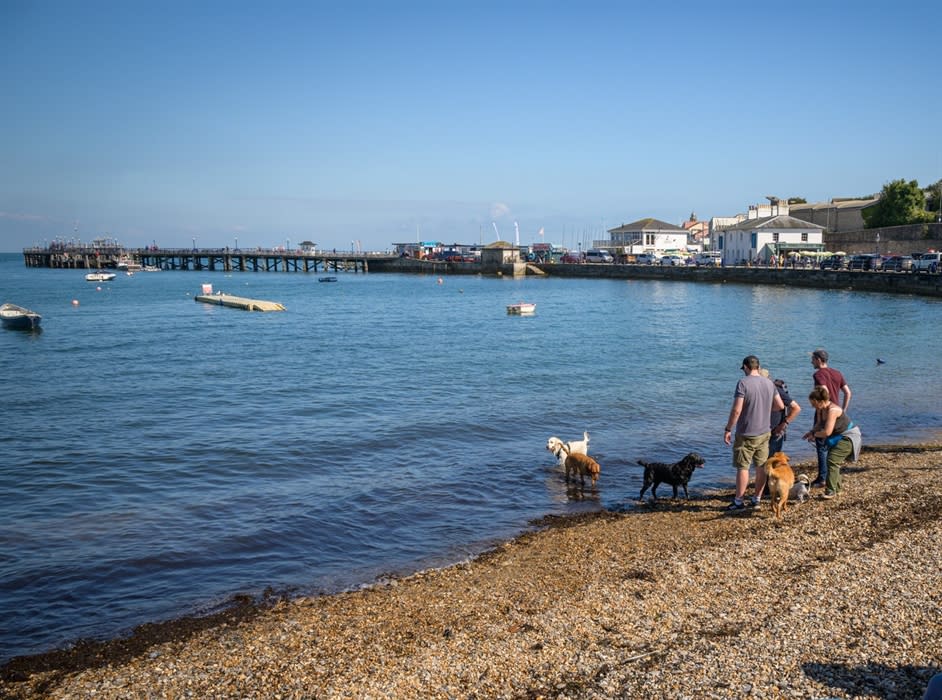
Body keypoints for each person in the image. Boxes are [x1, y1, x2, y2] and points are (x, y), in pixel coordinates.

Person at [724, 355, 785, 510]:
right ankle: (756, 499)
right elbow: (780, 406)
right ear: (758, 366)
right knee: (761, 466)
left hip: (746, 432)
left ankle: (739, 501)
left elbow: (737, 410)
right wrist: (764, 410)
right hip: (765, 432)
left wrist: (728, 428)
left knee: (743, 467)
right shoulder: (769, 383)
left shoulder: (743, 383)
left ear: (745, 367)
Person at [803, 386, 861, 499]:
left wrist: (815, 436)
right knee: (833, 461)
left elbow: (827, 432)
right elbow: (819, 424)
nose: (812, 406)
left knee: (832, 460)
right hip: (838, 436)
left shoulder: (833, 410)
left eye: (813, 403)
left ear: (821, 401)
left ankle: (830, 491)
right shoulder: (820, 409)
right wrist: (811, 432)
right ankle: (837, 489)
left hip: (849, 436)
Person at [810, 349, 852, 488]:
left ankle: (822, 477)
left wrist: (821, 408)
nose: (811, 362)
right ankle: (831, 476)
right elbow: (848, 392)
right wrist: (844, 410)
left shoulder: (818, 375)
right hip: (837, 413)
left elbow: (824, 391)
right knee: (831, 444)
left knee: (821, 446)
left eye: (813, 359)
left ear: (818, 359)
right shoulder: (837, 373)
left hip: (825, 412)